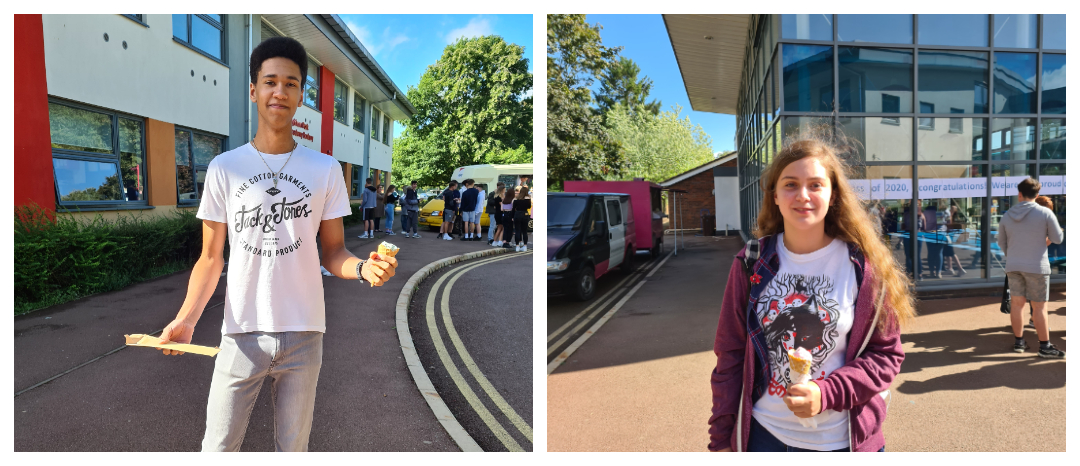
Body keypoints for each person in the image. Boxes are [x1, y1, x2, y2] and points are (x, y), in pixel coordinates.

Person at [156, 36, 398, 452]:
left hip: (305, 333)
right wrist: (187, 318)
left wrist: (362, 268)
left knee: (293, 450)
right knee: (217, 449)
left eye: (291, 84)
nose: (279, 92)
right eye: (270, 82)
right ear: (253, 90)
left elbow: (333, 252)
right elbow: (211, 258)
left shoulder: (325, 169)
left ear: (301, 96)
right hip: (240, 333)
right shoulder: (224, 168)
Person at [708, 136, 913, 452]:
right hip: (765, 437)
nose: (802, 195)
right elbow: (730, 355)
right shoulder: (752, 262)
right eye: (790, 184)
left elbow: (886, 355)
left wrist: (826, 393)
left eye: (816, 185)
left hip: (843, 442)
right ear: (775, 196)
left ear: (833, 195)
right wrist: (721, 439)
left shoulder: (864, 267)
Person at [997, 178, 1064, 358]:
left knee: (1017, 305)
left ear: (1019, 194)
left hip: (1013, 265)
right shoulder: (1045, 213)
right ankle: (1045, 346)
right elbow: (1058, 238)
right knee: (1039, 307)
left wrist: (1013, 254)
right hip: (1037, 266)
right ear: (1037, 194)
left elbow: (1001, 242)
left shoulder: (1007, 215)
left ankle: (1019, 342)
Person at [512, 186, 531, 252]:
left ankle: (517, 246)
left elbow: (513, 208)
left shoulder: (516, 199)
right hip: (525, 214)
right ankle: (525, 246)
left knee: (517, 231)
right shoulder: (528, 199)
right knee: (525, 231)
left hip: (517, 214)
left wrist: (512, 217)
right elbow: (529, 207)